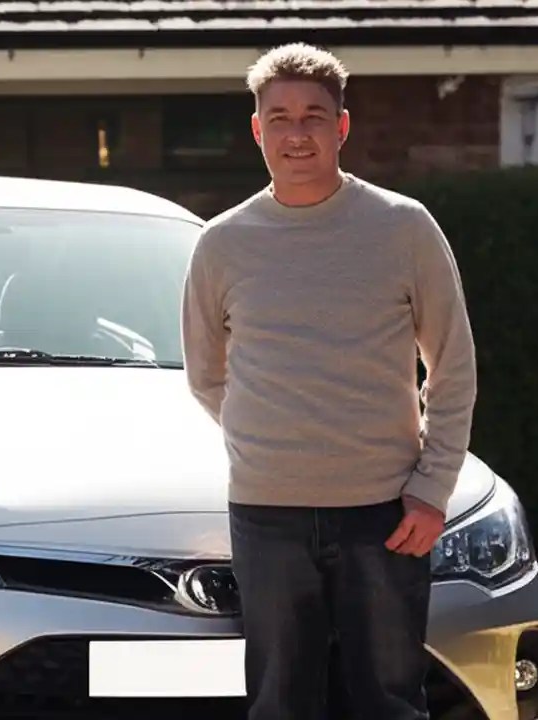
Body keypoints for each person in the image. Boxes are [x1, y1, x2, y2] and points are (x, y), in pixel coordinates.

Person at [180, 43, 477, 720]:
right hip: (266, 515)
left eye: (314, 116)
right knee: (281, 702)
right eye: (279, 117)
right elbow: (206, 375)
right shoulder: (223, 243)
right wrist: (273, 438)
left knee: (388, 703)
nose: (296, 133)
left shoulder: (403, 229)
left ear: (341, 127)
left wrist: (432, 490)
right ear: (257, 130)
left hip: (387, 515)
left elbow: (454, 363)